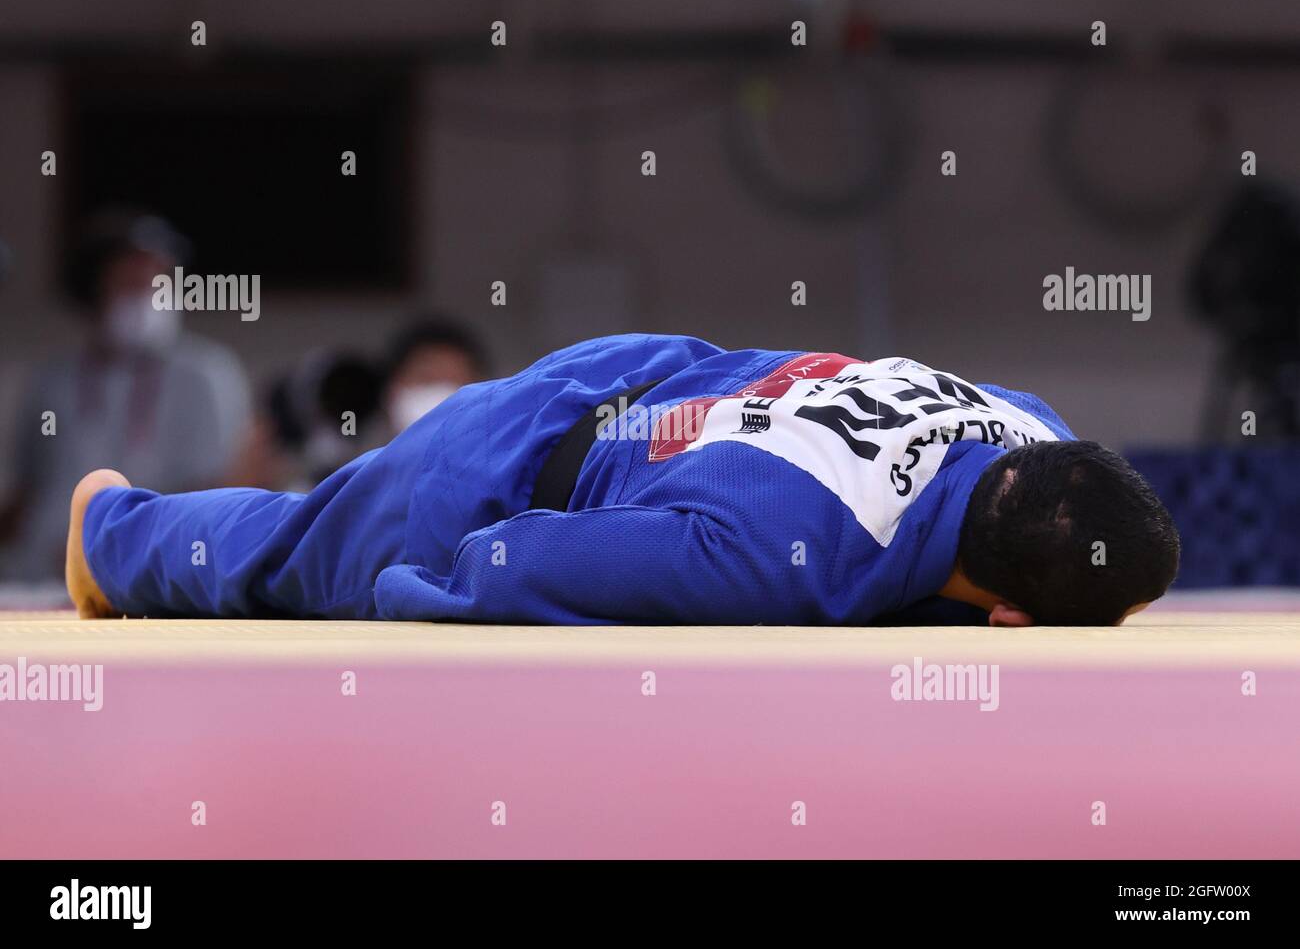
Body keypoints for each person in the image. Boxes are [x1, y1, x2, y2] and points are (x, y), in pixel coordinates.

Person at [64, 334, 1179, 626]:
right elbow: (506, 566)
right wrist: (389, 589)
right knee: (296, 555)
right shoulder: (770, 559)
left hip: (658, 373)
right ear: (1015, 614)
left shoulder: (1033, 427)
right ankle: (107, 524)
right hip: (511, 459)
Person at [0, 211, 250, 582]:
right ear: (95, 290)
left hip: (148, 577)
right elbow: (27, 490)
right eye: (130, 281)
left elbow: (220, 489)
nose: (148, 293)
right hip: (39, 577)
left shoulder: (206, 375)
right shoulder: (51, 380)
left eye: (159, 280)